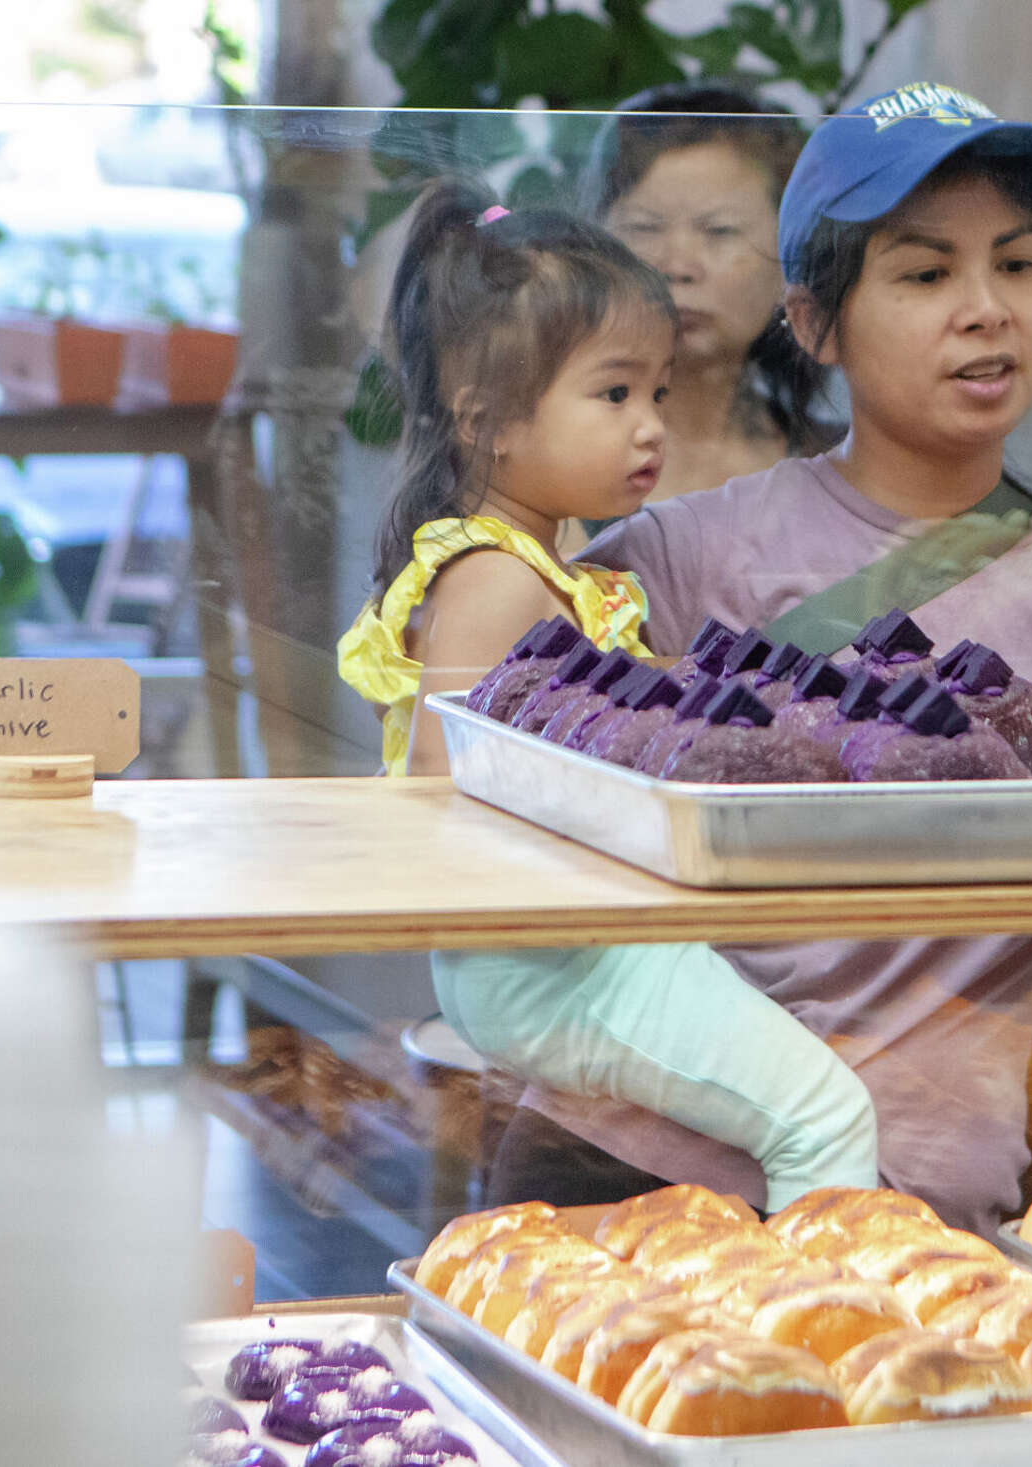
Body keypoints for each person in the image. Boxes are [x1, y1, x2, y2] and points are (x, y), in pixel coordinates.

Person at [525, 82, 1032, 1229]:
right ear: (815, 321)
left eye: (1019, 265)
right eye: (926, 273)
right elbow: (502, 785)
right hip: (627, 1169)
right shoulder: (684, 557)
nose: (986, 311)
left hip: (912, 1213)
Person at [334, 178, 879, 1211]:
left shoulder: (548, 572)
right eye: (614, 393)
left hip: (589, 945)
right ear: (488, 420)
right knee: (826, 1119)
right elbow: (450, 796)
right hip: (550, 965)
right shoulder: (496, 581)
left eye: (659, 394)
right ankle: (819, 1331)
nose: (649, 428)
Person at [583, 85, 837, 501]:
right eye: (645, 228)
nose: (678, 266)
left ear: (789, 258)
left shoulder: (841, 463)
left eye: (719, 230)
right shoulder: (543, 465)